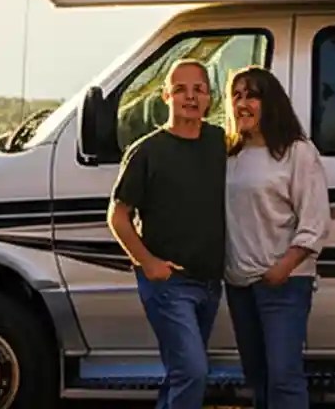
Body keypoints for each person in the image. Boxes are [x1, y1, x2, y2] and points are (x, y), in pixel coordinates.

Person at [107, 58, 228, 409]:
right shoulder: (146, 151)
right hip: (169, 284)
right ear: (165, 96)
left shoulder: (221, 142)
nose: (190, 97)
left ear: (210, 98)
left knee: (181, 374)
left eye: (199, 90)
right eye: (180, 90)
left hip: (210, 282)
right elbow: (118, 216)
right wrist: (148, 263)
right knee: (192, 371)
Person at [222, 65, 331, 409]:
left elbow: (315, 219)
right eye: (236, 95)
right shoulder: (229, 156)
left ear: (270, 103)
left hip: (282, 283)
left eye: (251, 95)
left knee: (284, 378)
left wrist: (283, 268)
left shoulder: (297, 152)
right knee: (258, 377)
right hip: (239, 284)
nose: (242, 103)